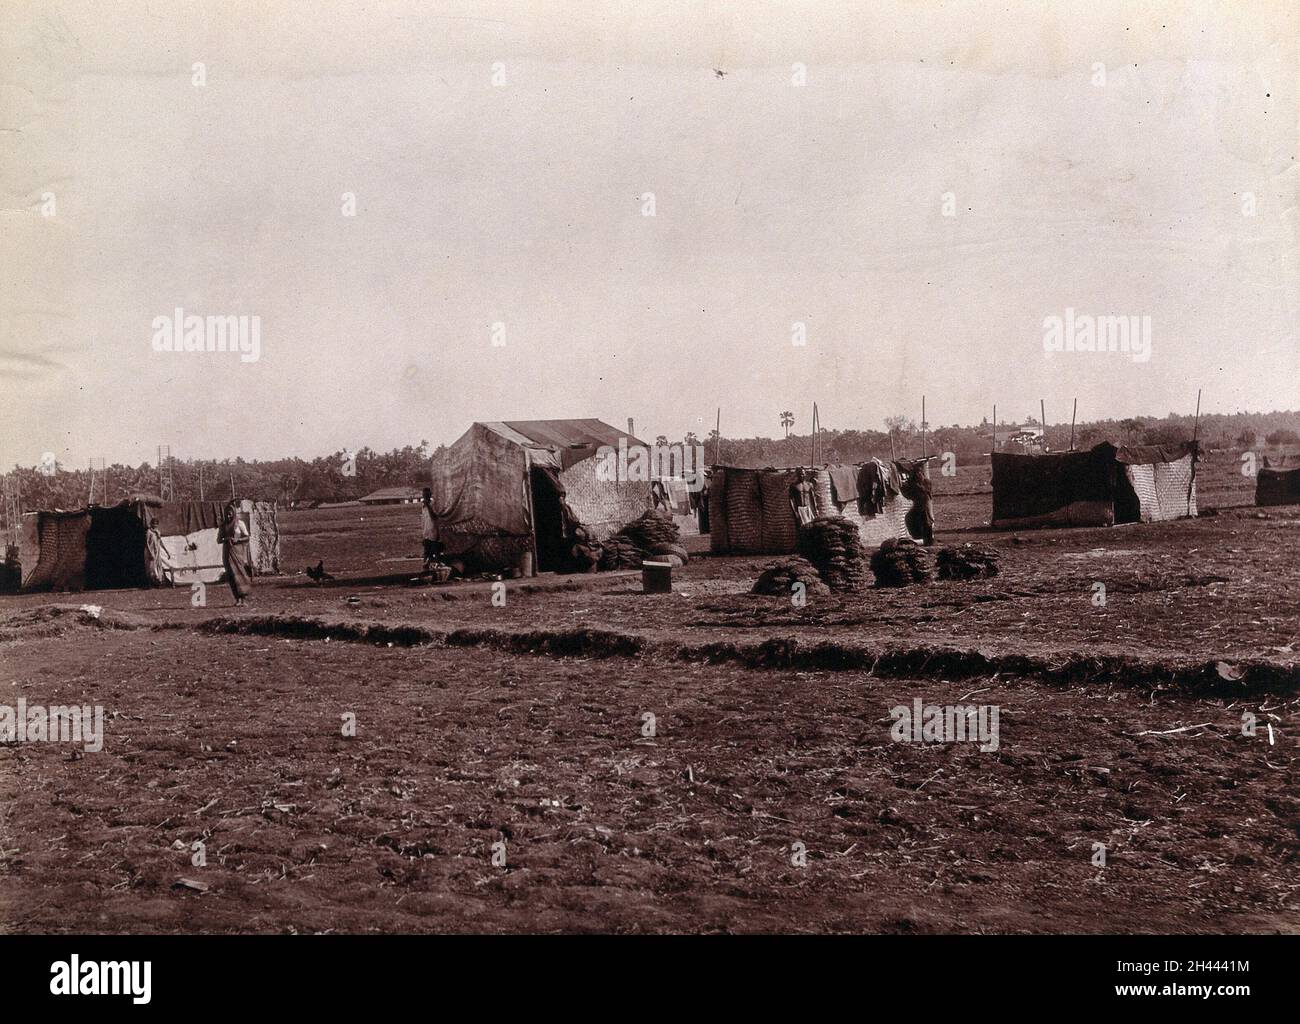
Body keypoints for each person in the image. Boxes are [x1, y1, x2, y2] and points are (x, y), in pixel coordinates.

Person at [219, 502, 252, 606]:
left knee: (240, 574)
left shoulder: (239, 523)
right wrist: (226, 539)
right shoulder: (223, 526)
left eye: (230, 514)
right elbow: (219, 540)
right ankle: (237, 599)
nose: (228, 516)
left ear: (233, 513)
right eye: (227, 514)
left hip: (237, 552)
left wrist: (237, 540)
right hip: (227, 553)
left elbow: (247, 537)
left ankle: (244, 599)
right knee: (231, 576)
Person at [420, 488, 444, 572]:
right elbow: (423, 520)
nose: (425, 496)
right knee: (426, 552)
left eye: (427, 495)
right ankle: (426, 570)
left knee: (435, 551)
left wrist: (429, 506)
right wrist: (422, 534)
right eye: (424, 495)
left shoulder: (433, 504)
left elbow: (434, 516)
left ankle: (437, 571)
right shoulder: (423, 506)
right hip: (426, 532)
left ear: (430, 495)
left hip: (433, 531)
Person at [144, 517, 173, 585]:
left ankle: (159, 582)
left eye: (156, 524)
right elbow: (147, 543)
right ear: (151, 524)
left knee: (158, 567)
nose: (155, 525)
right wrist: (150, 553)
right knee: (151, 568)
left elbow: (160, 542)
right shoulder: (149, 532)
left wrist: (166, 551)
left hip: (157, 552)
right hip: (150, 552)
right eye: (154, 524)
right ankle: (150, 583)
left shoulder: (157, 532)